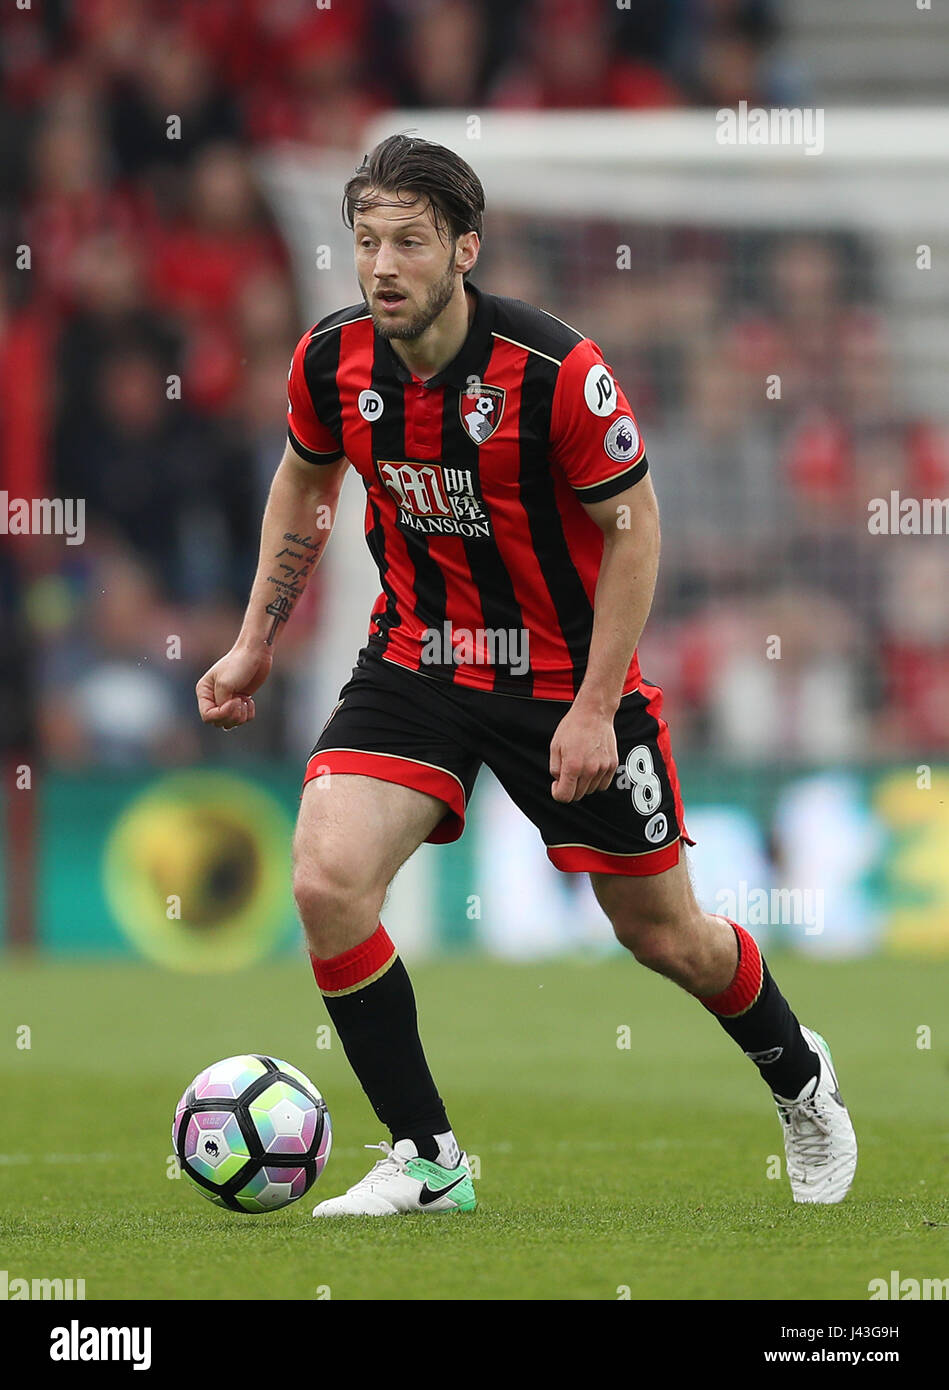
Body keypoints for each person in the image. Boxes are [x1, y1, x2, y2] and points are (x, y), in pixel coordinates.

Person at [196, 134, 857, 1216]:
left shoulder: (556, 372)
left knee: (662, 936)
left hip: (561, 676)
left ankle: (800, 1080)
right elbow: (304, 485)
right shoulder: (331, 361)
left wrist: (597, 704)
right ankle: (427, 1158)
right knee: (325, 879)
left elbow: (634, 532)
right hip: (415, 657)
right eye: (366, 242)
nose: (383, 266)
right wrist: (256, 637)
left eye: (409, 241)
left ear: (465, 247)